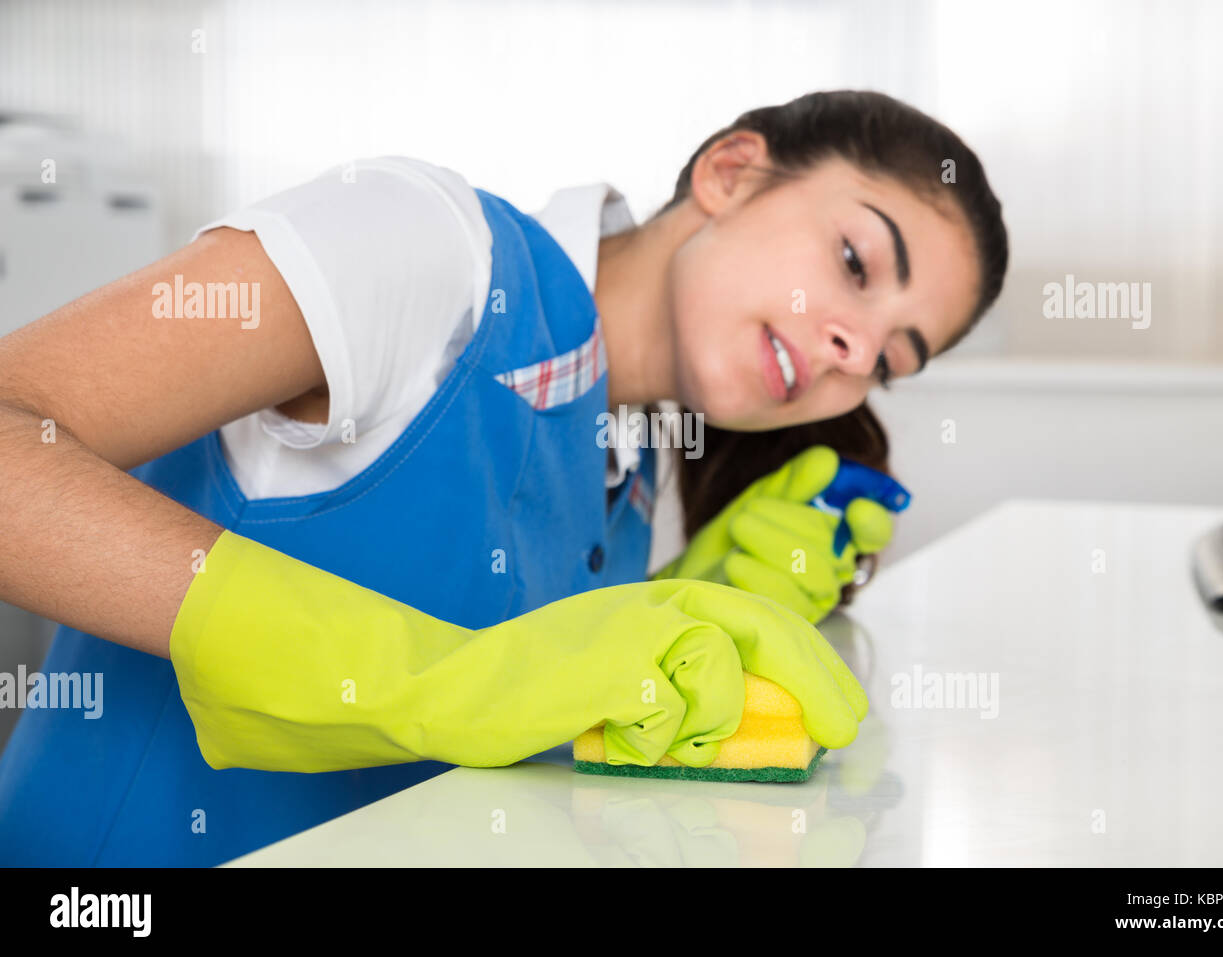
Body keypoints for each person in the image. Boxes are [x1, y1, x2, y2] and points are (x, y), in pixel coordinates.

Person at [0, 89, 1008, 866]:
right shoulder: (422, 246)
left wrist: (711, 603)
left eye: (888, 359)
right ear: (731, 173)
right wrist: (418, 676)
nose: (851, 346)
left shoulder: (633, 464)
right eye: (853, 262)